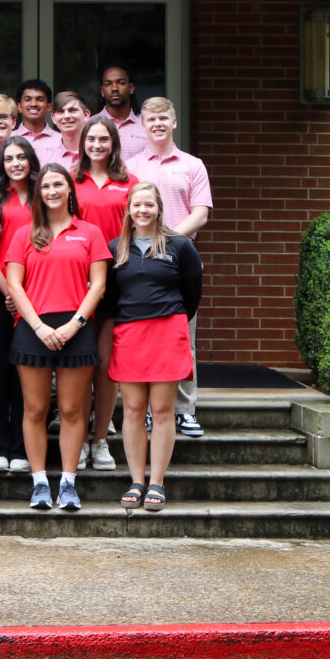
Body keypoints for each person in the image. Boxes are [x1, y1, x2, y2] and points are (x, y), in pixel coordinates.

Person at [4, 162, 111, 513]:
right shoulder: (25, 234)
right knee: (35, 409)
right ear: (39, 193)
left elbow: (99, 284)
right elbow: (15, 284)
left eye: (58, 185)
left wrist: (74, 324)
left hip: (76, 328)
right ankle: (38, 483)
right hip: (33, 328)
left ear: (69, 190)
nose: (51, 191)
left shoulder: (90, 232)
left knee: (70, 408)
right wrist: (37, 326)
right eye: (45, 186)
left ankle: (67, 483)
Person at [108, 182, 203, 512]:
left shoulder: (179, 245)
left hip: (167, 332)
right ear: (129, 210)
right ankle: (136, 480)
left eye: (149, 204)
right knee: (133, 410)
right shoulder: (117, 248)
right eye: (137, 205)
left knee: (162, 412)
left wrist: (170, 319)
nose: (143, 210)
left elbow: (192, 294)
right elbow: (109, 298)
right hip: (130, 334)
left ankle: (158, 483)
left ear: (159, 208)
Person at [126, 97, 213, 438]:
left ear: (174, 122)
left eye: (164, 118)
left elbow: (201, 212)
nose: (158, 124)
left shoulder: (192, 165)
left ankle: (185, 409)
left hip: (180, 260)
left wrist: (167, 240)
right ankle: (148, 410)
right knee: (142, 335)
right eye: (151, 119)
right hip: (139, 261)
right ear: (143, 125)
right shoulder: (131, 167)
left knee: (182, 336)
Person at [75, 115, 139, 471]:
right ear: (82, 142)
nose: (97, 145)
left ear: (114, 143)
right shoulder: (71, 180)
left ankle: (100, 440)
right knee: (82, 367)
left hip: (115, 279)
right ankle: (79, 440)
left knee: (105, 366)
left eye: (104, 139)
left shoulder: (129, 183)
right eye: (91, 139)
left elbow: (138, 228)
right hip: (76, 279)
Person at [0, 136, 38, 475]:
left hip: (38, 294)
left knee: (27, 376)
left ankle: (21, 446)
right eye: (9, 158)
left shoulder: (45, 194)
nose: (15, 163)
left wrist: (23, 295)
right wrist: (10, 293)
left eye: (21, 157)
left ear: (31, 160)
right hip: (0, 295)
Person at [96, 64, 148, 160]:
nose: (114, 88)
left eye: (121, 83)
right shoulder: (90, 125)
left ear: (131, 88)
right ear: (102, 91)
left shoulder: (147, 124)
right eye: (108, 84)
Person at [14, 79, 61, 165]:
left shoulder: (61, 140)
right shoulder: (8, 138)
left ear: (49, 107)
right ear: (19, 107)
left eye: (40, 99)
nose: (33, 104)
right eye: (28, 99)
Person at [49, 91, 90, 169]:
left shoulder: (97, 151)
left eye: (72, 110)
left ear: (86, 114)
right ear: (53, 118)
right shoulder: (46, 156)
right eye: (60, 112)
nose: (66, 116)